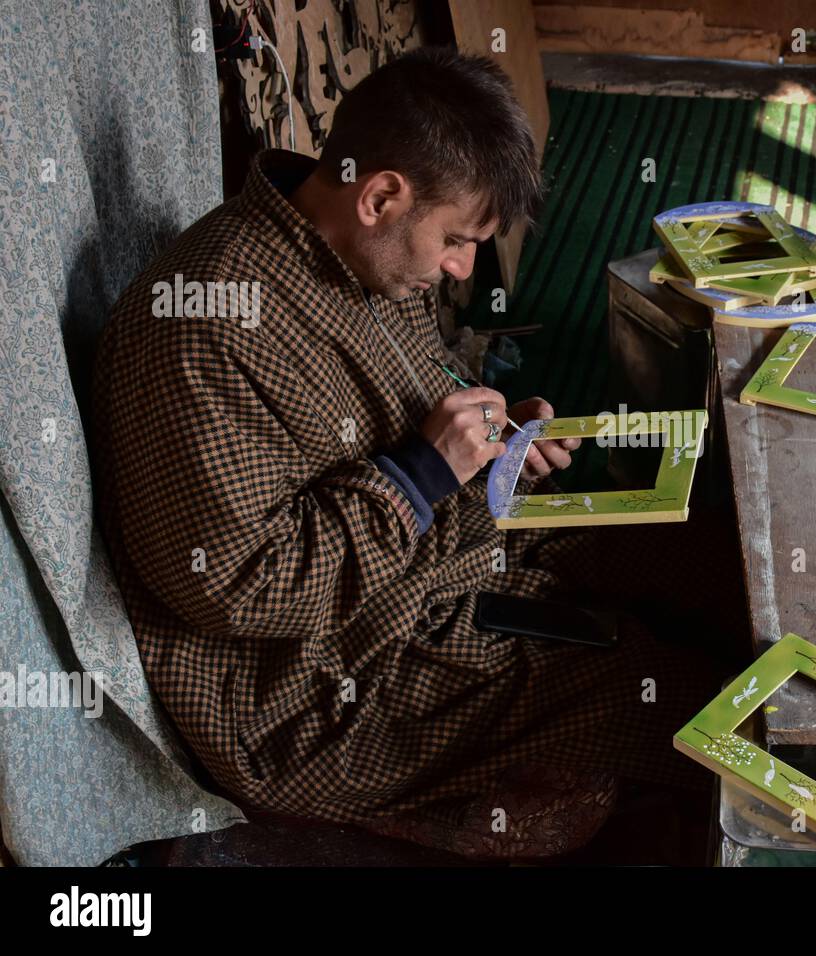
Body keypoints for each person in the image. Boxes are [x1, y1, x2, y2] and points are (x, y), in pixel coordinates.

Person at [92, 46, 742, 860]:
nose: (462, 268)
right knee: (660, 707)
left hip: (439, 547)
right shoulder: (201, 332)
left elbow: (409, 402)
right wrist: (423, 473)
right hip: (311, 688)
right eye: (458, 241)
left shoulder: (360, 254)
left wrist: (494, 446)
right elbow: (238, 591)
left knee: (710, 562)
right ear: (382, 195)